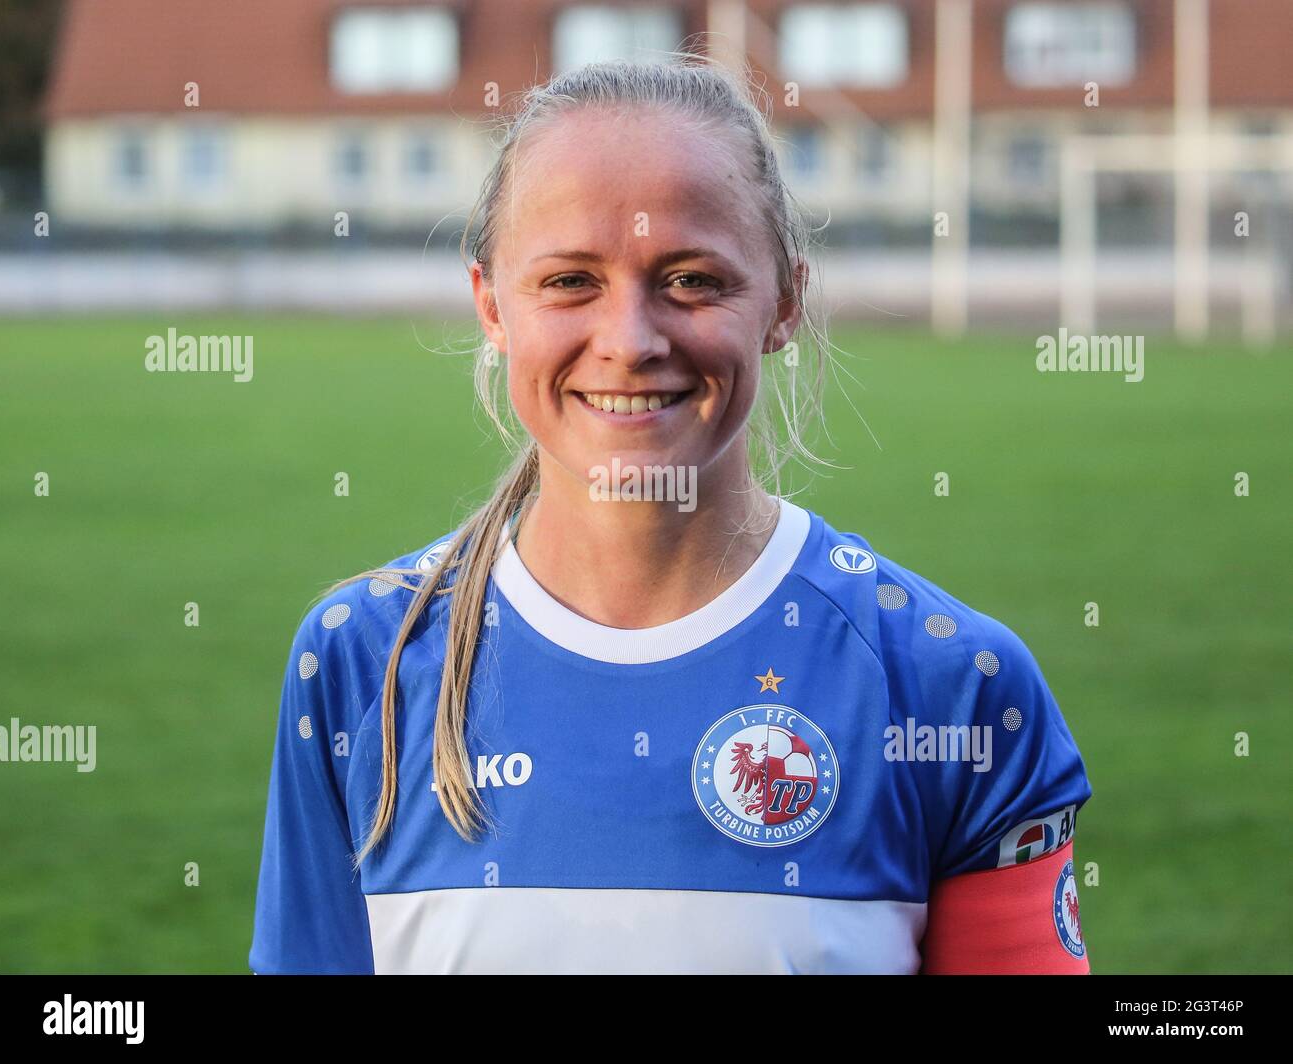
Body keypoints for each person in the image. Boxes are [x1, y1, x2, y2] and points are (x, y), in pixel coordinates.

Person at [248, 56, 1092, 975]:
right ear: (491, 303)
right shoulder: (360, 661)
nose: (630, 341)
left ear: (785, 301)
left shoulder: (949, 684)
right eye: (571, 280)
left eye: (690, 280)